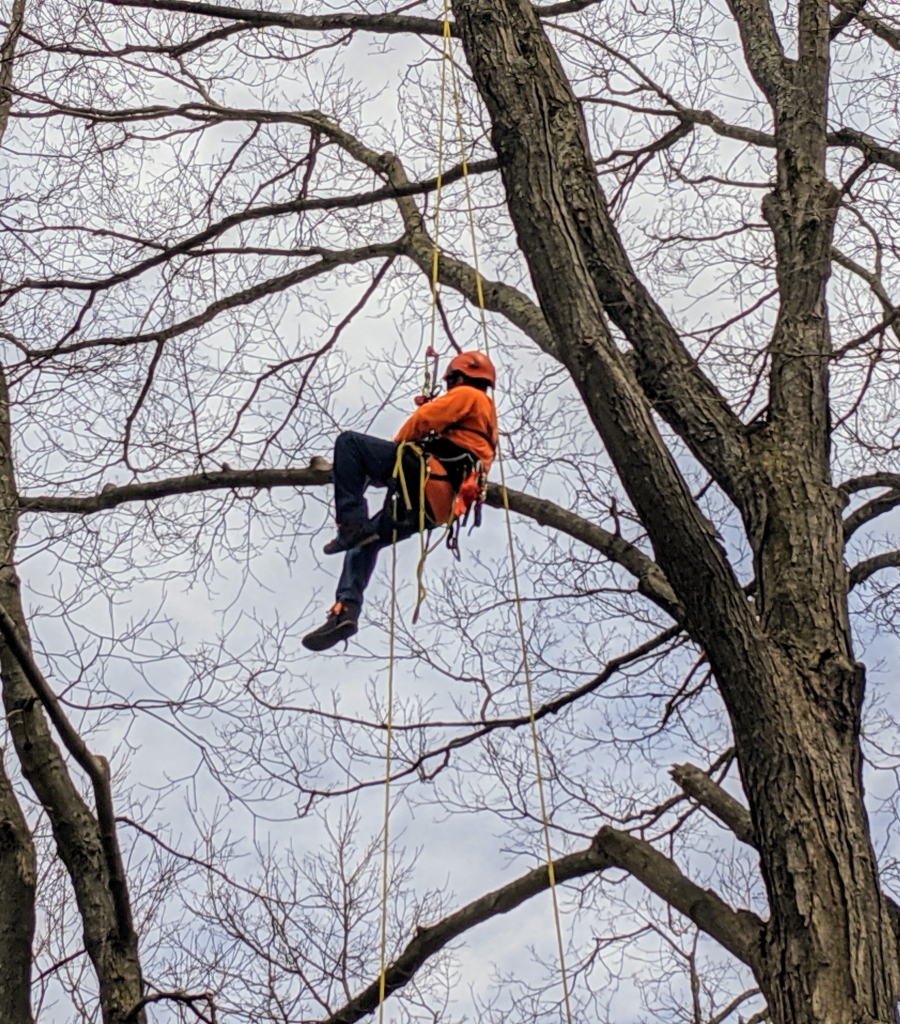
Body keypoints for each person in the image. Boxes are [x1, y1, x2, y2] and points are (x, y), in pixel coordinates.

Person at [302, 351, 498, 652]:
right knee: (366, 541)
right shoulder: (483, 424)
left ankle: (350, 523)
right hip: (438, 506)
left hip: (431, 476)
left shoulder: (469, 396)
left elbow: (423, 420)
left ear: (460, 377)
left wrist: (397, 449)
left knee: (350, 444)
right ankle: (346, 610)